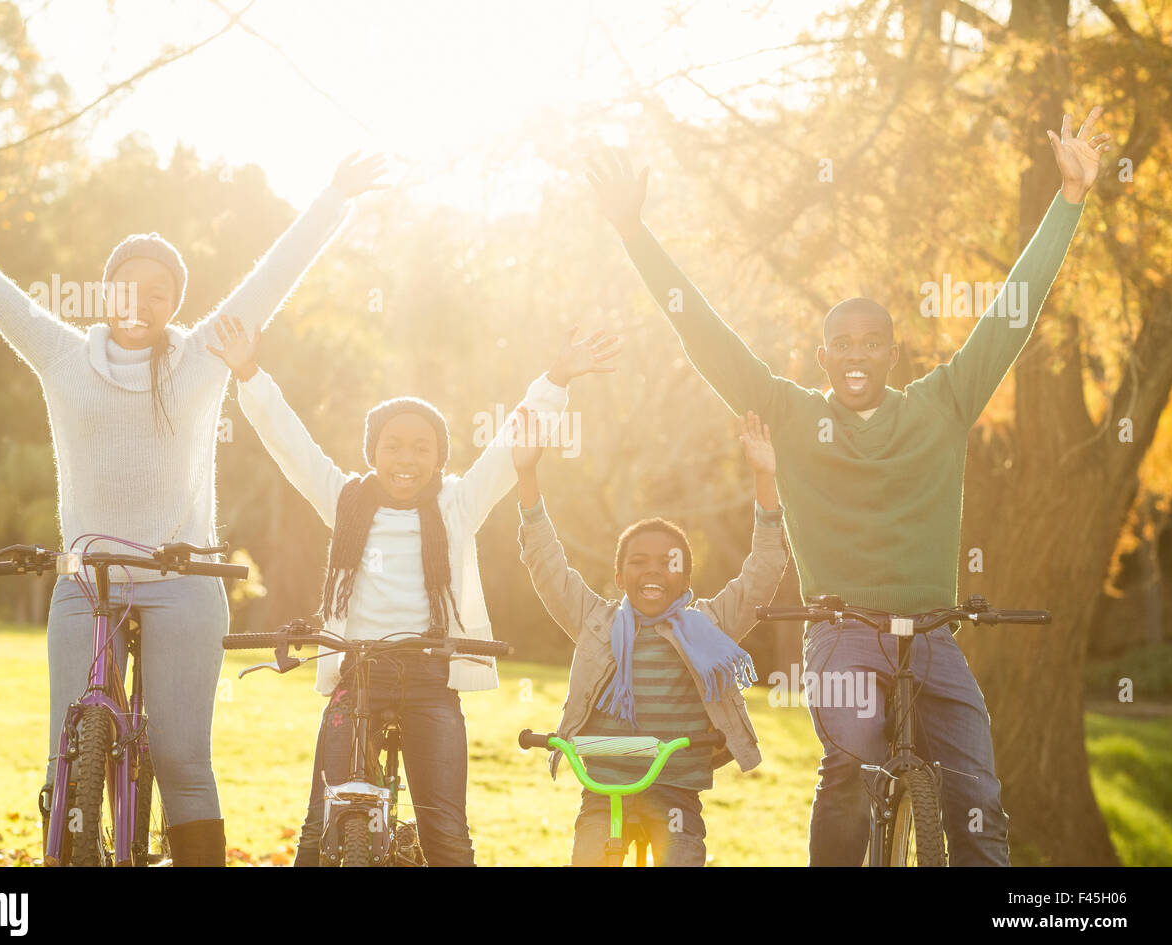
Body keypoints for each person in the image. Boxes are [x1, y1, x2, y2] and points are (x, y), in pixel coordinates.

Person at [585, 109, 1110, 865]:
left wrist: (1068, 199)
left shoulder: (944, 402)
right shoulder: (792, 415)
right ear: (822, 356)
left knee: (977, 797)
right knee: (855, 765)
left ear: (893, 351)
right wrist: (635, 235)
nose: (857, 355)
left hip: (932, 635)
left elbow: (1011, 315)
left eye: (872, 343)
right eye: (843, 345)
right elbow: (702, 335)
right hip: (840, 634)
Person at [0, 151, 387, 865]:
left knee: (181, 758)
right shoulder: (58, 354)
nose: (140, 304)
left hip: (185, 584)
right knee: (66, 751)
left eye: (158, 292)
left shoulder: (202, 357)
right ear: (104, 293)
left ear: (175, 302)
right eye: (127, 288)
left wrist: (336, 195)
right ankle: (70, 841)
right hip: (86, 582)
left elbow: (273, 275)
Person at [207, 315, 620, 865]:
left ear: (439, 457)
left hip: (430, 680)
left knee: (446, 836)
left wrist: (557, 379)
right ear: (372, 452)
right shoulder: (344, 500)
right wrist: (250, 373)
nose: (406, 459)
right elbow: (292, 445)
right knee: (317, 828)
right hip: (357, 676)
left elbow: (506, 446)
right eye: (393, 446)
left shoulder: (456, 505)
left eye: (421, 448)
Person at [514, 410, 787, 865]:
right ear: (620, 577)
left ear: (686, 579)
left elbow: (765, 568)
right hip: (604, 789)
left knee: (679, 854)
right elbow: (546, 562)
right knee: (589, 855)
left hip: (675, 789)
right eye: (639, 561)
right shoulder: (596, 622)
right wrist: (526, 474)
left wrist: (764, 478)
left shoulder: (709, 625)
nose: (655, 569)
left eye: (669, 561)